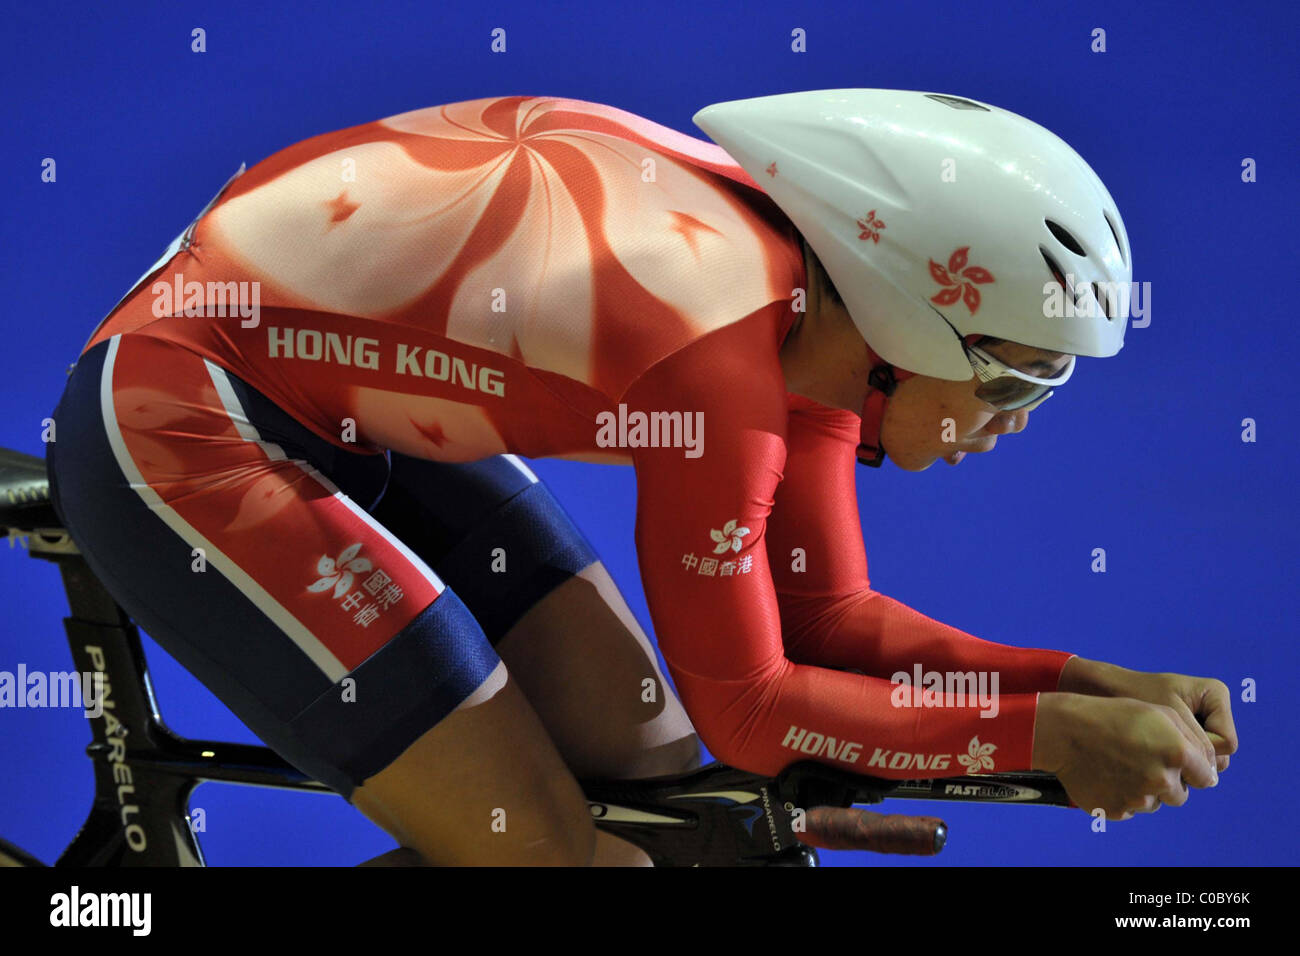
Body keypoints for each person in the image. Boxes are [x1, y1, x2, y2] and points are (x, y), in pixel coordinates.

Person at [45, 89, 1236, 867]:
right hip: (180, 411)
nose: (1017, 420)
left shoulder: (818, 318)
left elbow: (827, 619)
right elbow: (753, 711)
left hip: (327, 390)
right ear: (911, 317)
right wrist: (1038, 736)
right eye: (1017, 376)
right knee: (558, 858)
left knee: (670, 803)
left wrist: (1082, 684)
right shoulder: (715, 365)